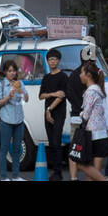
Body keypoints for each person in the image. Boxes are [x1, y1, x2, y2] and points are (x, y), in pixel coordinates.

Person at [0, 58, 28, 181]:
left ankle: (16, 176)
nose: (12, 73)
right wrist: (9, 95)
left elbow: (27, 99)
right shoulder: (0, 84)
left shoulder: (20, 83)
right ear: (4, 72)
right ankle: (4, 177)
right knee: (4, 148)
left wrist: (22, 92)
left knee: (17, 149)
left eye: (14, 71)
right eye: (9, 71)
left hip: (19, 120)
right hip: (6, 121)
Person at [75, 60, 108, 181]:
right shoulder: (99, 90)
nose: (80, 75)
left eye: (81, 73)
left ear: (88, 75)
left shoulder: (90, 92)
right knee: (92, 172)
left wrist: (80, 113)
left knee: (81, 164)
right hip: (102, 133)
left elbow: (86, 115)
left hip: (92, 134)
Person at [40, 49, 68, 181]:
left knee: (57, 142)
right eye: (50, 59)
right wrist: (53, 94)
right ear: (47, 61)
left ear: (59, 61)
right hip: (47, 113)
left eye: (55, 59)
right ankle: (54, 172)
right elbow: (41, 95)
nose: (52, 61)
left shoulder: (63, 76)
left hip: (57, 113)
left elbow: (61, 96)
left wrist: (49, 109)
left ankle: (58, 173)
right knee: (51, 143)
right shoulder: (46, 77)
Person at [66, 60, 86, 182]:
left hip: (75, 115)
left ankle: (73, 177)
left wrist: (76, 105)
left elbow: (68, 94)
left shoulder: (73, 74)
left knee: (74, 149)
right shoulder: (93, 75)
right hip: (88, 120)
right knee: (90, 151)